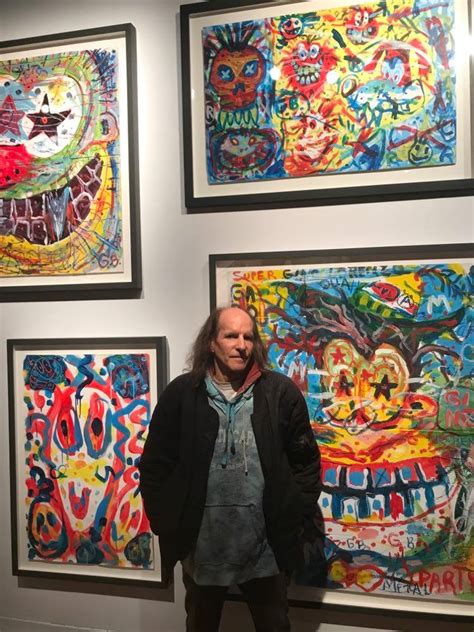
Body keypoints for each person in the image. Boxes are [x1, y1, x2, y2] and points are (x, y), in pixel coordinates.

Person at [138, 306, 321, 631]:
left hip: (267, 552)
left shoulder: (280, 394)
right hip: (202, 552)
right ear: (211, 342)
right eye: (231, 336)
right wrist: (166, 524)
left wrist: (294, 515)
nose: (241, 345)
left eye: (248, 337)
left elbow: (305, 464)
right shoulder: (182, 395)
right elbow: (155, 465)